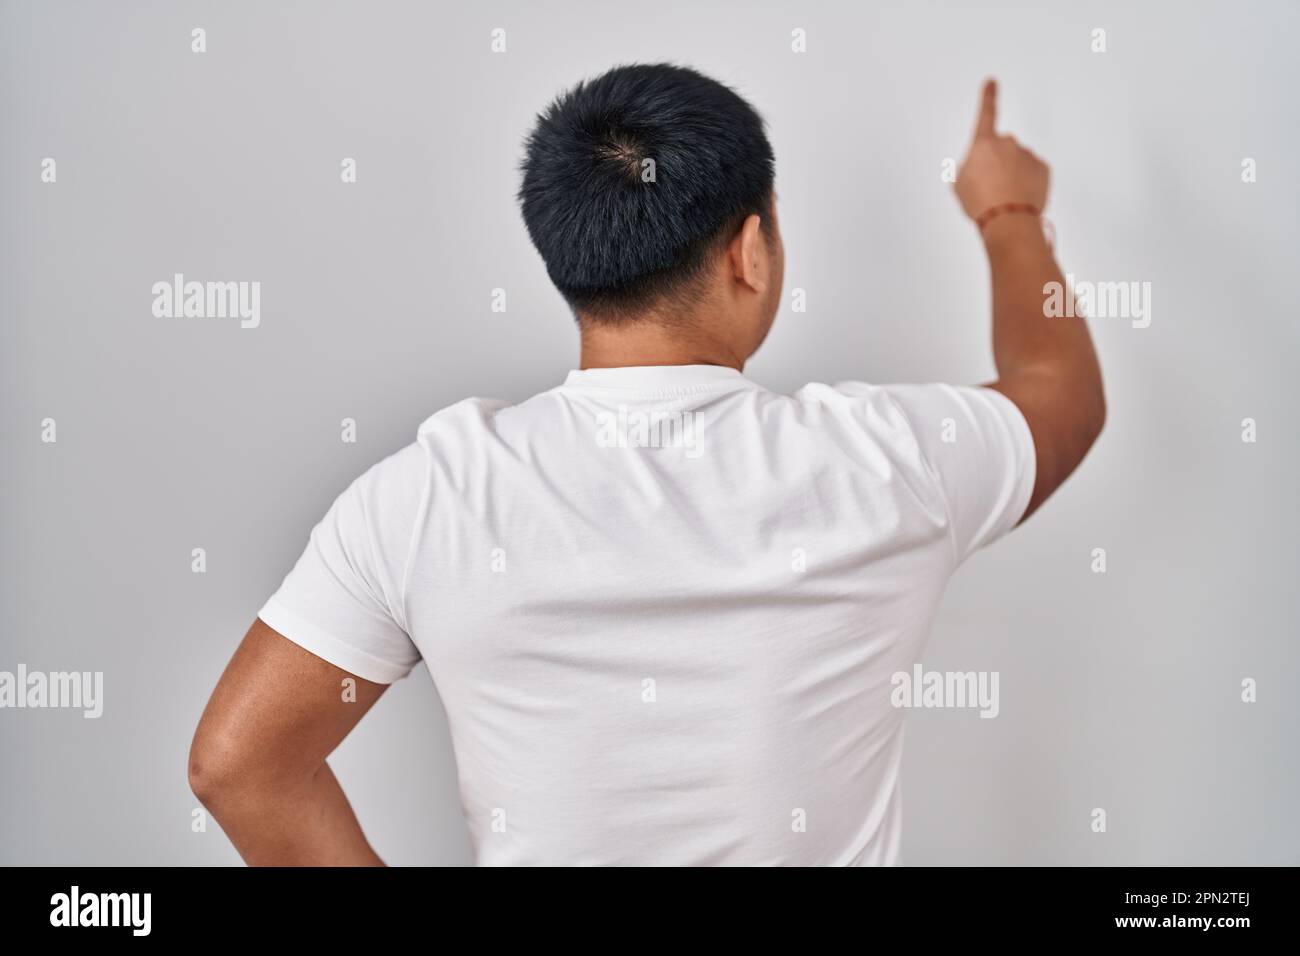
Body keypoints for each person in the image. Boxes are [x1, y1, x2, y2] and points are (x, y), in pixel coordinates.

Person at [189, 64, 1104, 866]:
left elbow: (239, 767)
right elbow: (1060, 388)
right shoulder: (889, 460)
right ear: (751, 251)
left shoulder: (430, 495)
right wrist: (1008, 211)